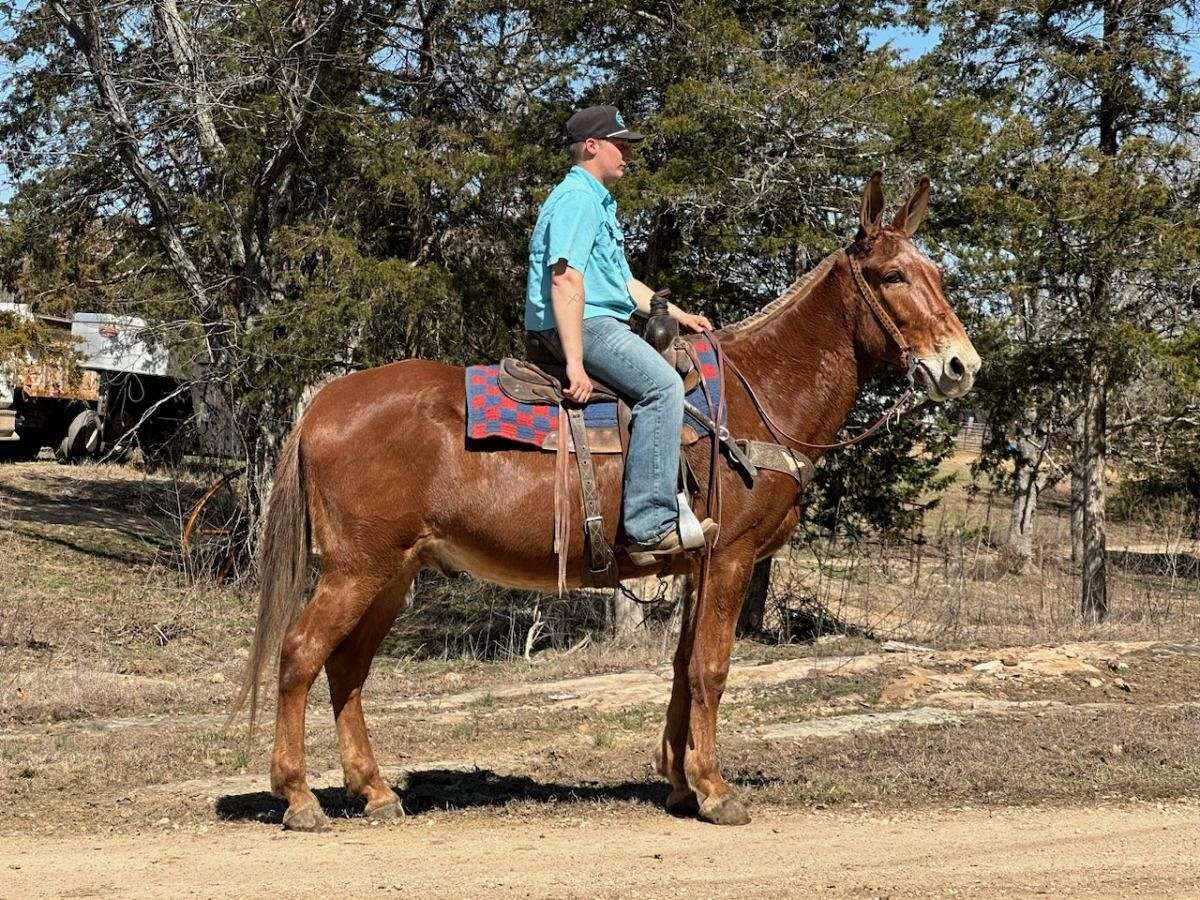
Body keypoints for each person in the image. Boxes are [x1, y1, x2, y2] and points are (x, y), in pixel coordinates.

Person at [525, 104, 715, 561]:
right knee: (663, 388)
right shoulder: (577, 199)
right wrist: (574, 363)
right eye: (621, 146)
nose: (628, 155)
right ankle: (649, 527)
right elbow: (564, 279)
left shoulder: (597, 202)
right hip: (580, 324)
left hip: (591, 318)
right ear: (592, 146)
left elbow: (622, 284)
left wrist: (680, 314)